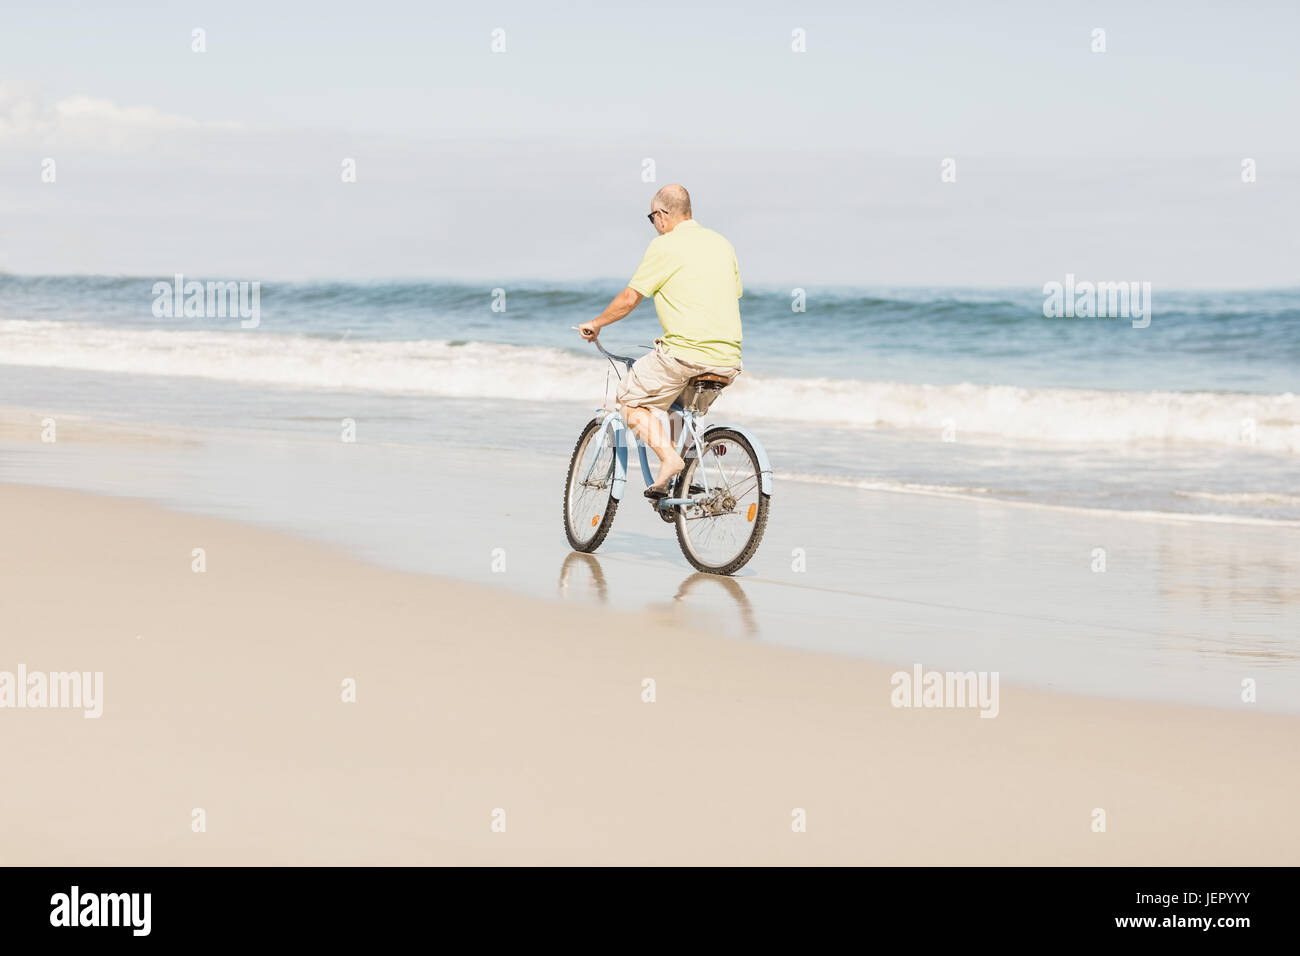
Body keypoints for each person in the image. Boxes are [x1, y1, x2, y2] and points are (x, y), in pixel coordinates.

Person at [578, 184, 743, 498]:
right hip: (728, 359)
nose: (653, 225)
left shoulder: (665, 245)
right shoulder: (723, 244)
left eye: (651, 217)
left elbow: (629, 299)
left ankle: (670, 460)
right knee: (680, 407)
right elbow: (730, 293)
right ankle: (687, 477)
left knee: (628, 399)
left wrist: (596, 324)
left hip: (684, 354)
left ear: (663, 215)